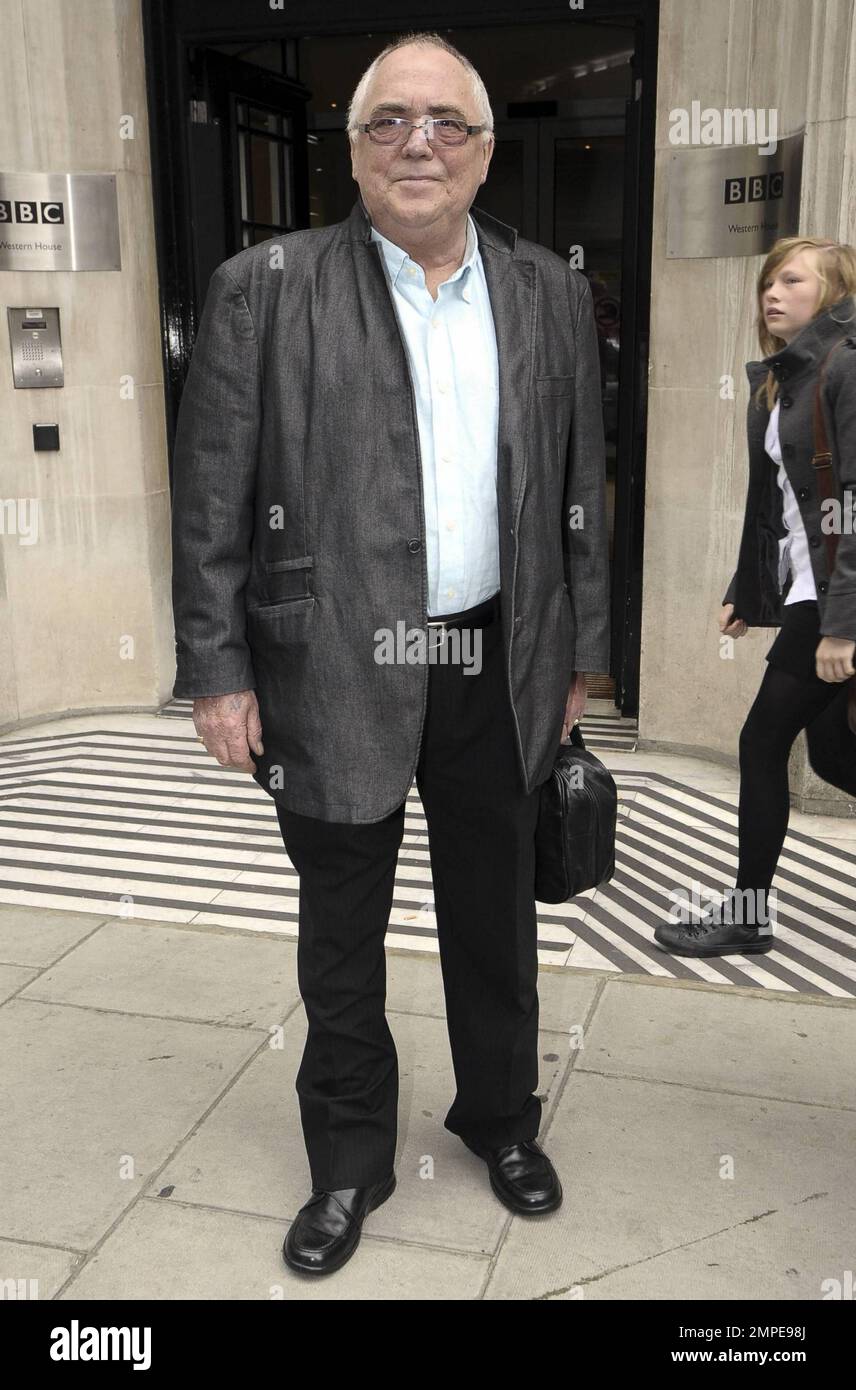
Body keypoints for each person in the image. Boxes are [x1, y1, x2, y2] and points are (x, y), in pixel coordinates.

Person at [169, 31, 610, 1275]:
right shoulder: (266, 284)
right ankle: (349, 1165)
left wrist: (575, 647)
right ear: (353, 150)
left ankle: (499, 1122)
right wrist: (217, 667)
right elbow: (211, 496)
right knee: (339, 932)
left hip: (495, 660)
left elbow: (582, 481)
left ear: (479, 153)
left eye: (447, 124)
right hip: (332, 664)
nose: (419, 142)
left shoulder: (546, 290)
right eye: (389, 122)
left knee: (495, 918)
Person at [656, 237, 856, 959]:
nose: (772, 292)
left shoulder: (845, 368)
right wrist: (749, 585)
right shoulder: (783, 379)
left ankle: (748, 915)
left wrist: (842, 625)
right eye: (768, 280)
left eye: (792, 280)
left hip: (838, 597)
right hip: (814, 589)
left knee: (761, 741)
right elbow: (775, 502)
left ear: (833, 292)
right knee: (835, 755)